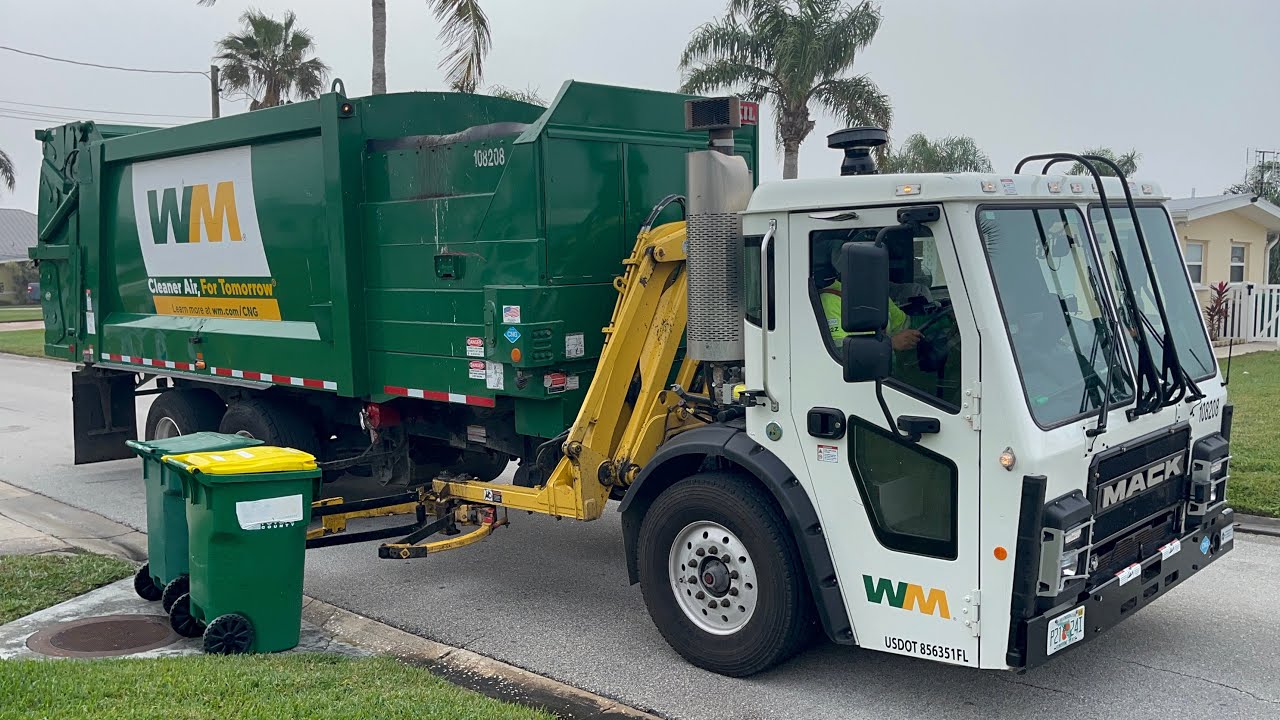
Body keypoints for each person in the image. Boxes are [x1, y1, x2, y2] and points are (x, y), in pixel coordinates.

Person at [815, 236, 921, 350]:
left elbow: (904, 324)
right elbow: (844, 353)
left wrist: (940, 321)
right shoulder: (828, 301)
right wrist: (891, 344)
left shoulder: (875, 292)